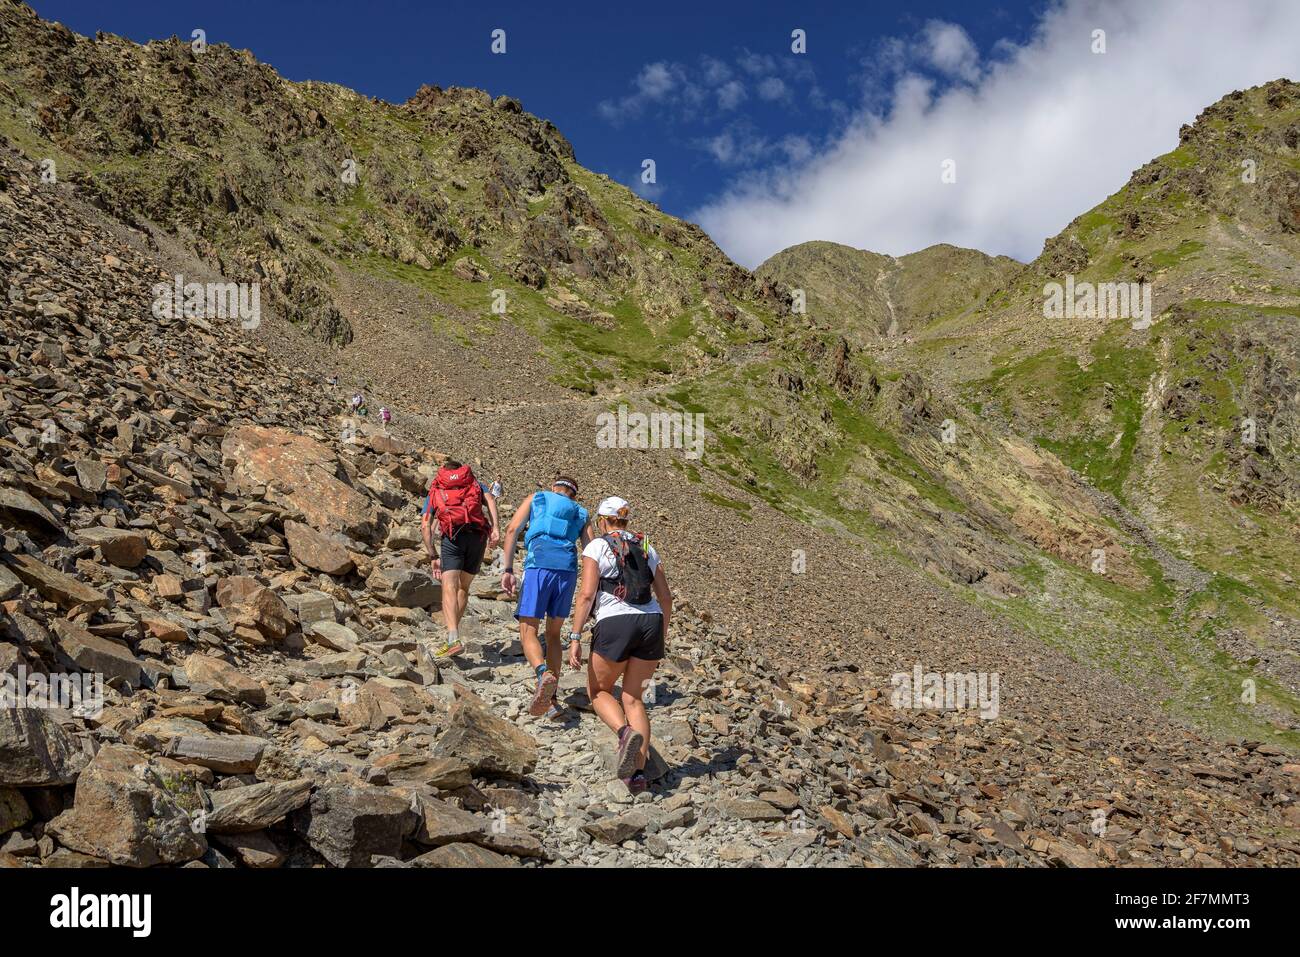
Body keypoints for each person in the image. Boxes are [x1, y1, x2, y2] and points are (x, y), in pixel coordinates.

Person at [567, 496, 671, 793]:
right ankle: (637, 775)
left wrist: (575, 637)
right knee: (634, 699)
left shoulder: (596, 546)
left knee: (598, 690)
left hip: (614, 622)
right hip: (650, 622)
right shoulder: (647, 545)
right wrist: (660, 633)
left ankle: (624, 733)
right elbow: (665, 597)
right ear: (626, 519)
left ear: (602, 520)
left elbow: (587, 595)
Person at [500, 476, 590, 718]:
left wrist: (508, 569)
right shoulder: (581, 513)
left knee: (528, 630)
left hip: (539, 564)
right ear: (574, 495)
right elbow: (591, 550)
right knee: (553, 634)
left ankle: (542, 673)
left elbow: (511, 529)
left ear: (554, 489)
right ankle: (551, 700)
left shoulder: (537, 498)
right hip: (567, 571)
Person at [420, 460, 500, 661]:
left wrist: (432, 555)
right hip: (477, 537)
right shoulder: (472, 482)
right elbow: (490, 500)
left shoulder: (438, 487)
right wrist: (496, 529)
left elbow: (425, 525)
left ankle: (453, 638)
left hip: (452, 538)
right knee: (463, 587)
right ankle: (454, 636)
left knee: (448, 586)